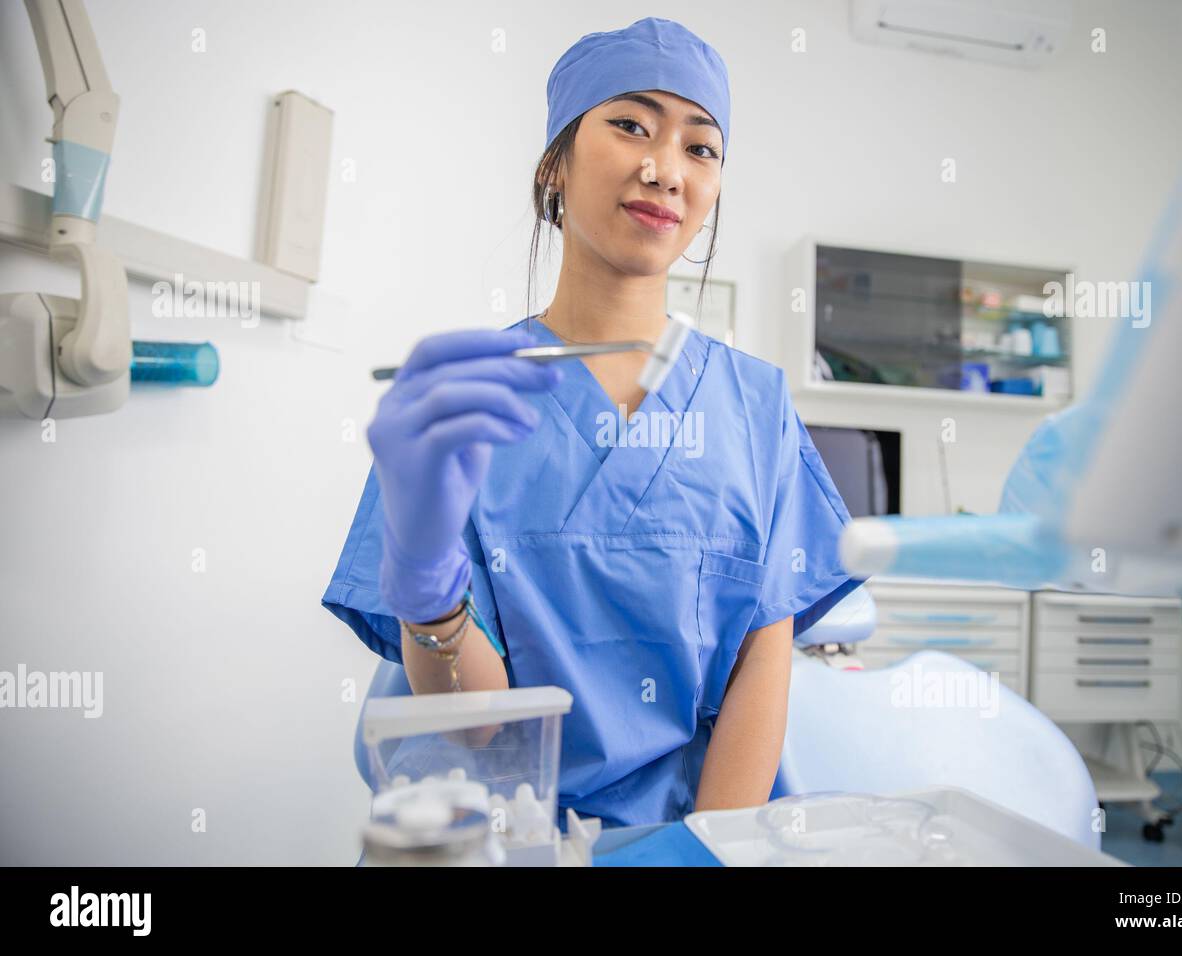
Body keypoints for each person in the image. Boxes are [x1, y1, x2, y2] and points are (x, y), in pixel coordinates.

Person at [323, 16, 862, 829]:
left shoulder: (755, 406)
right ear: (554, 167)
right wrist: (426, 583)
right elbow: (481, 725)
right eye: (630, 125)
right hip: (497, 834)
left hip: (696, 834)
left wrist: (700, 857)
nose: (665, 169)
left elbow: (762, 667)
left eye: (700, 148)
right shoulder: (462, 403)